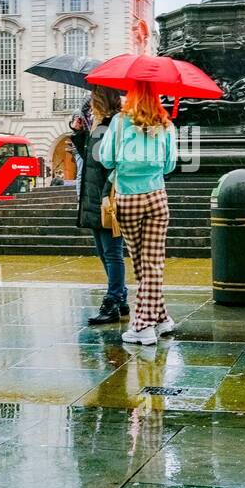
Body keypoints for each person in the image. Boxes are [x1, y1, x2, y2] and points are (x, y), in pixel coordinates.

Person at [96, 82, 178, 346]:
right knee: (151, 263)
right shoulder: (166, 125)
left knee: (141, 262)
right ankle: (162, 318)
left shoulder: (119, 122)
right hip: (156, 196)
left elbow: (106, 160)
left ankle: (142, 326)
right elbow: (169, 165)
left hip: (127, 198)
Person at [71, 86, 129, 326]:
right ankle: (121, 297)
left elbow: (113, 164)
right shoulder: (100, 124)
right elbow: (92, 160)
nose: (90, 104)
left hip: (105, 197)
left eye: (93, 99)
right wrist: (79, 134)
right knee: (104, 252)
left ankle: (113, 300)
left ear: (101, 101)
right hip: (93, 196)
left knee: (113, 252)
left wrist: (107, 194)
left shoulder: (113, 125)